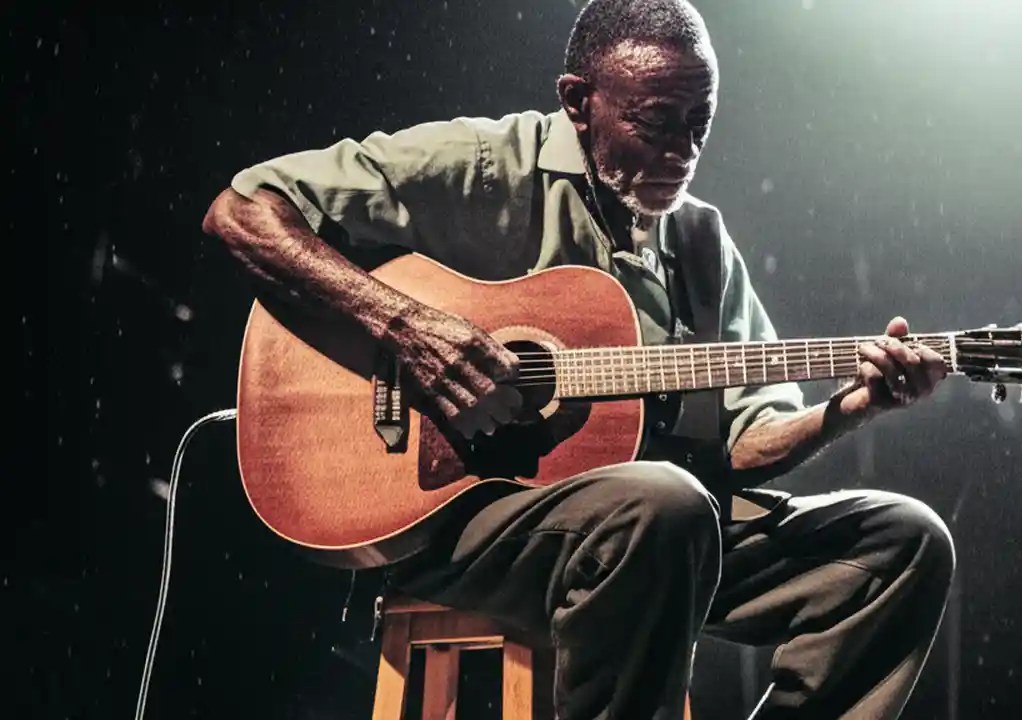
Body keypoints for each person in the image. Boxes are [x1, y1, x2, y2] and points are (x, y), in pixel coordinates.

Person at [201, 1, 954, 717]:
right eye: (658, 123)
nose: (683, 152)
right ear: (578, 100)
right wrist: (406, 328)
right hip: (456, 522)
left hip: (656, 541)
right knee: (664, 504)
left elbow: (742, 444)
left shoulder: (697, 245)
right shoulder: (486, 167)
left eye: (701, 125)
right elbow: (242, 211)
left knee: (903, 541)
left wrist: (852, 407)